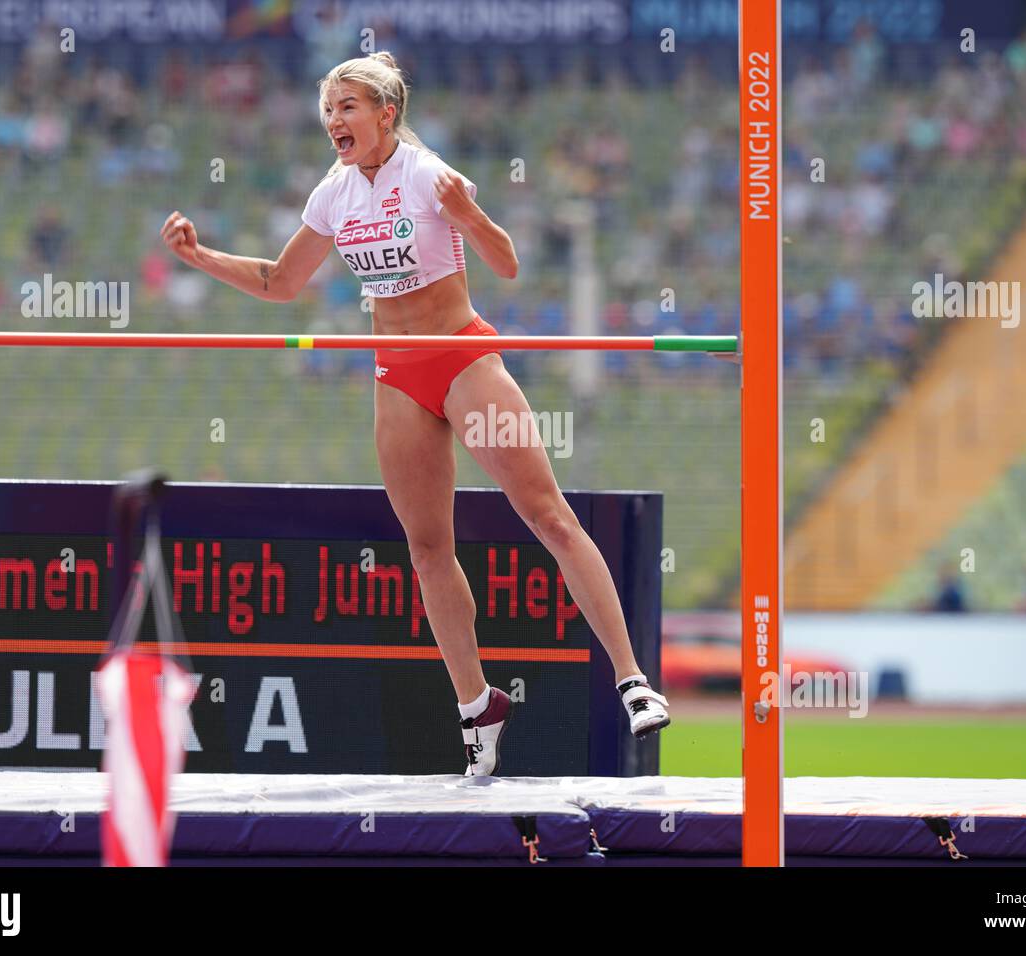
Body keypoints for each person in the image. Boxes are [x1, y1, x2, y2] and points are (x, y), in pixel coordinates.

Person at [160, 52, 669, 776]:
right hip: (396, 374)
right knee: (428, 546)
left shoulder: (427, 175)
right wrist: (199, 255)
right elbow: (280, 282)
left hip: (460, 357)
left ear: (385, 114)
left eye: (348, 108)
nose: (335, 120)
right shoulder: (333, 194)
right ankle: (477, 708)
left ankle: (631, 680)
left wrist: (470, 216)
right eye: (329, 109)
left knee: (547, 514)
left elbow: (508, 263)